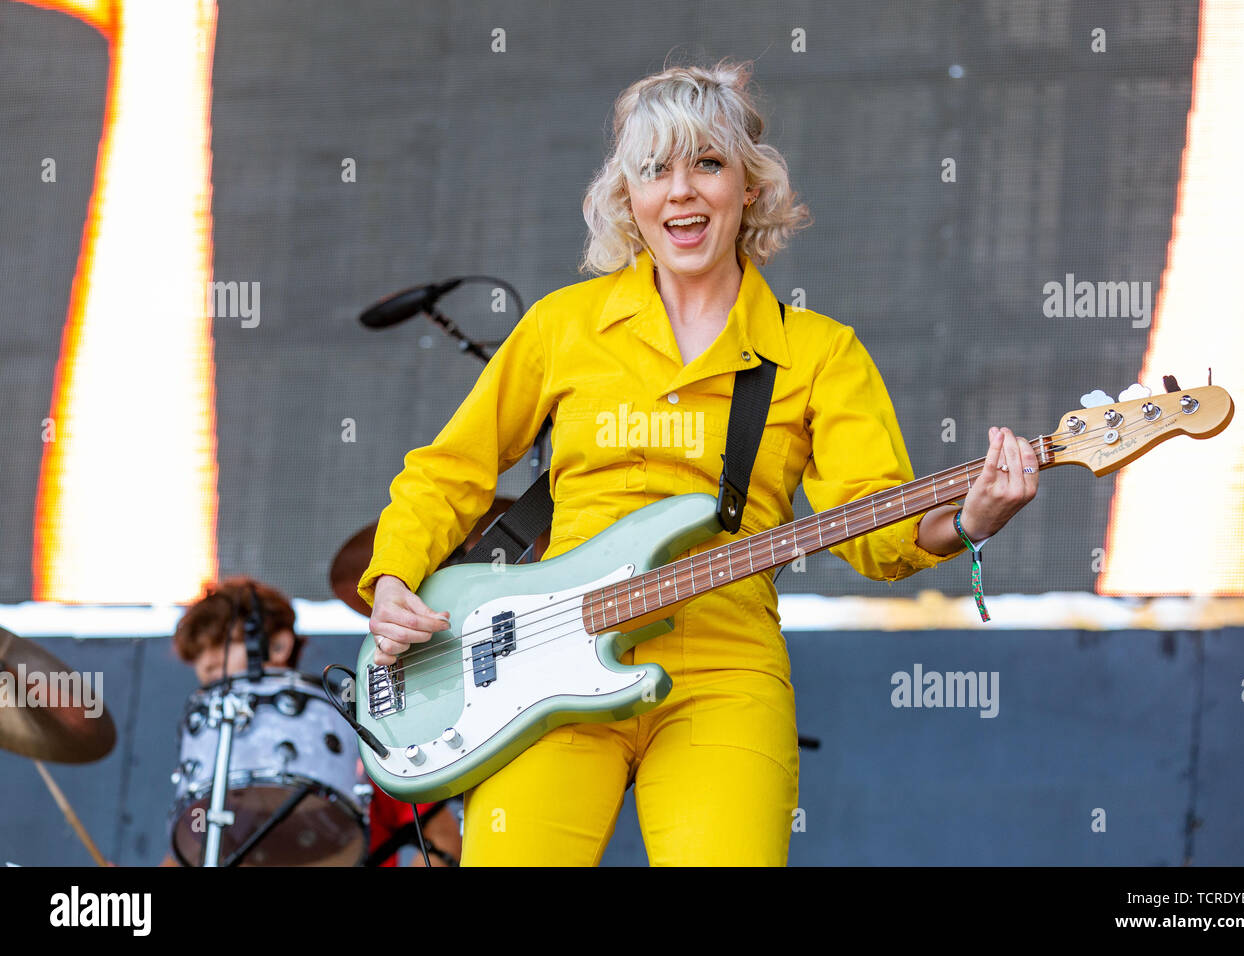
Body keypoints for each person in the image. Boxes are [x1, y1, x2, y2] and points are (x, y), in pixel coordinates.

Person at [358, 59, 1039, 866]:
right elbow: (448, 472)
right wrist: (395, 575)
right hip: (541, 663)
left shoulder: (818, 354)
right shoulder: (562, 327)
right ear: (629, 199)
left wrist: (968, 519)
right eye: (655, 170)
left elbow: (876, 529)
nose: (680, 191)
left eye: (706, 164)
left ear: (748, 188)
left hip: (723, 669)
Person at [171, 576, 461, 866]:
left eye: (220, 645)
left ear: (277, 646)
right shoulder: (214, 756)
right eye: (197, 655)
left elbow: (443, 841)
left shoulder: (349, 733)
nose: (205, 664)